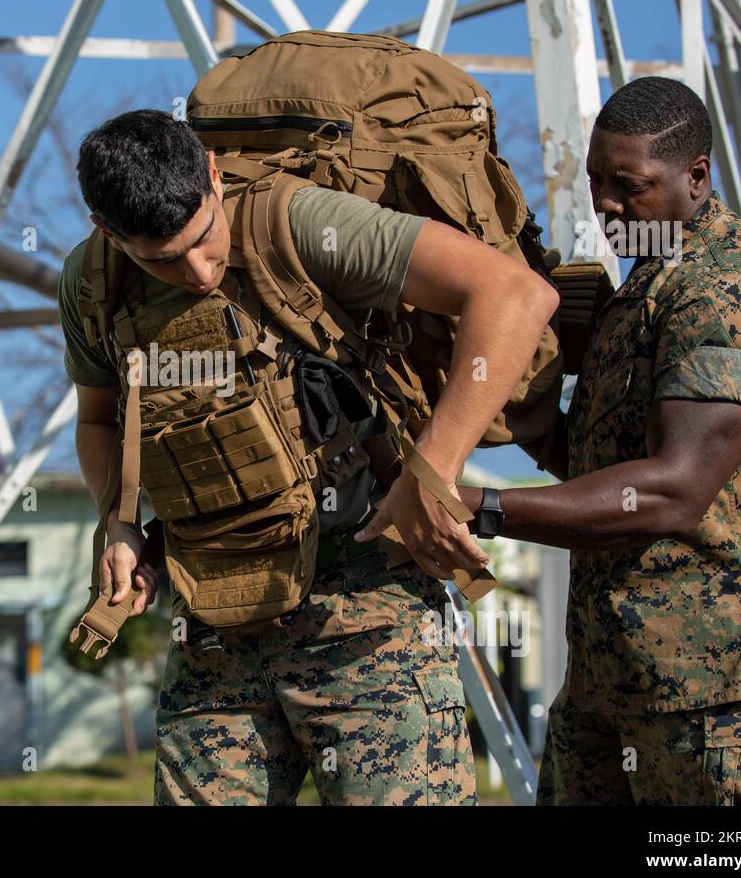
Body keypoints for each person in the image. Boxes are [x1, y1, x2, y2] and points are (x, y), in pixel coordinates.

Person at [59, 109, 558, 804]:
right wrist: (116, 521)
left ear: (212, 173)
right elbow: (96, 418)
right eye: (162, 259)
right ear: (110, 234)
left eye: (204, 238)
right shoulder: (94, 281)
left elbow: (514, 295)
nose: (198, 271)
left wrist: (433, 468)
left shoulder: (295, 225)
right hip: (213, 615)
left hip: (363, 607)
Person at [456, 77, 741, 805]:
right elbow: (606, 475)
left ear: (696, 177)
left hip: (721, 689)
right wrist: (532, 401)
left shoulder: (728, 290)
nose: (604, 204)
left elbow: (671, 492)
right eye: (596, 180)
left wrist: (479, 506)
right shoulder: (648, 287)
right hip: (613, 671)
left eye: (628, 185)